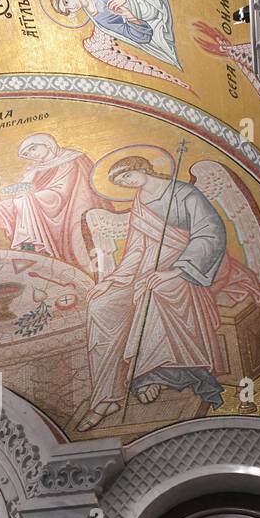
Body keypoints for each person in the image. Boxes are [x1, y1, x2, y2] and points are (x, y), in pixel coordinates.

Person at [78, 154, 230, 430]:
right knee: (102, 305)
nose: (126, 182)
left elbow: (211, 234)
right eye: (121, 181)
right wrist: (114, 280)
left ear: (141, 167)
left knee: (154, 293)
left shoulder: (185, 193)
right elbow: (137, 248)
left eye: (127, 175)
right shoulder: (140, 202)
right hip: (145, 270)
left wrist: (176, 271)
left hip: (190, 267)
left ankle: (150, 375)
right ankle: (107, 395)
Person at [0, 133, 111, 273]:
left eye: (32, 149)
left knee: (78, 245)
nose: (31, 155)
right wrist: (13, 202)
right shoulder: (35, 170)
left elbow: (61, 192)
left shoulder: (70, 161)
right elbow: (25, 190)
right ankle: (33, 258)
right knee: (15, 204)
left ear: (47, 143)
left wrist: (28, 199)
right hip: (44, 212)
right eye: (27, 154)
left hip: (73, 210)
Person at [51, 0, 180, 68]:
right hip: (155, 20)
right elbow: (132, 34)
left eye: (66, 2)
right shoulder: (99, 21)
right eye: (67, 10)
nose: (71, 7)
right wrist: (130, 16)